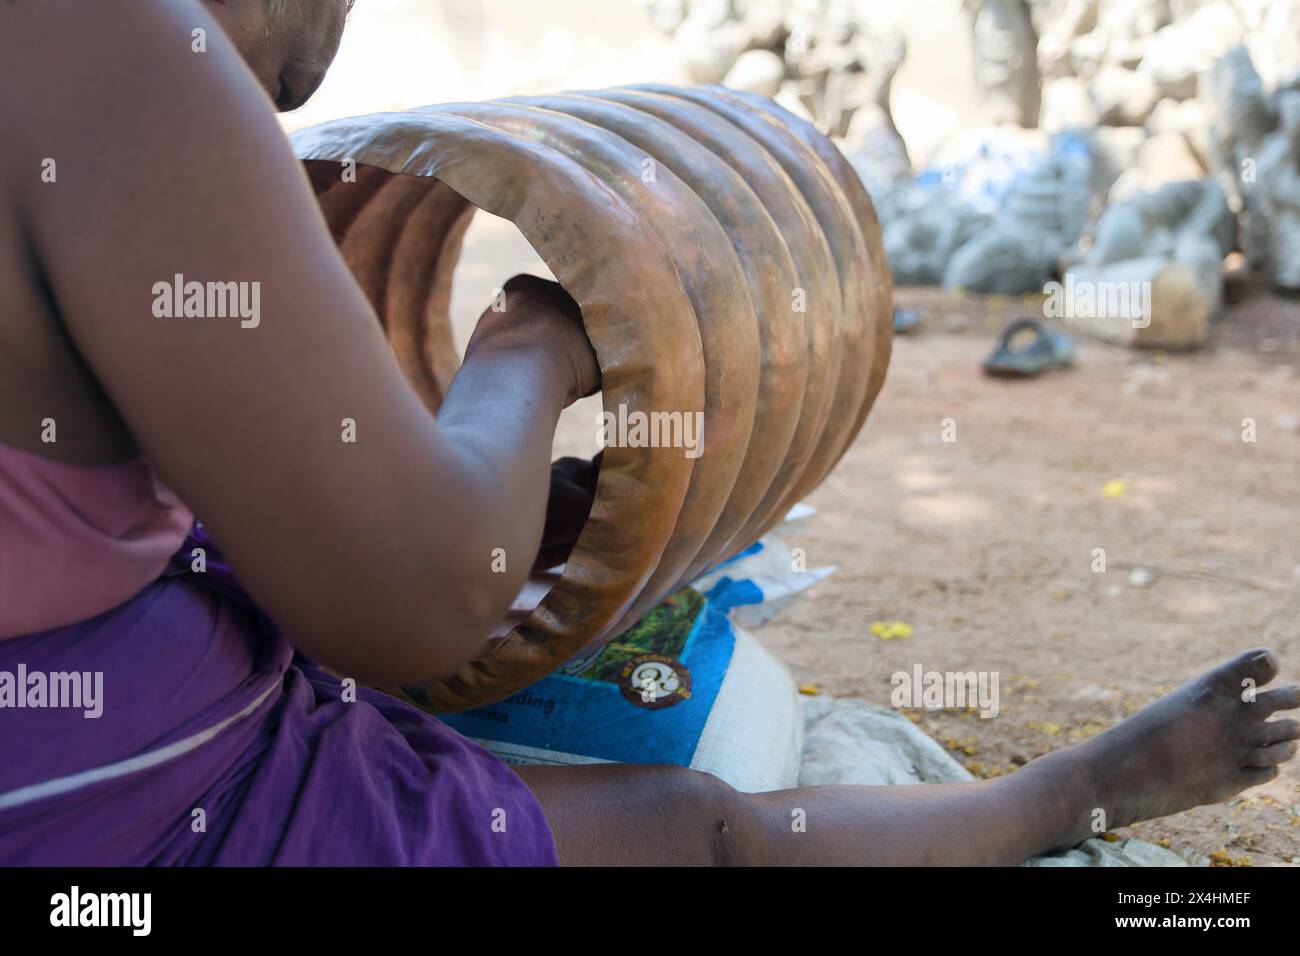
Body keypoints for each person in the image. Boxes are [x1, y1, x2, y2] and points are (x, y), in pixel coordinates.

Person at [0, 0, 1295, 866]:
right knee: (690, 824)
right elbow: (428, 593)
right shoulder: (116, 43)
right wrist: (535, 345)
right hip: (127, 808)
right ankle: (1061, 797)